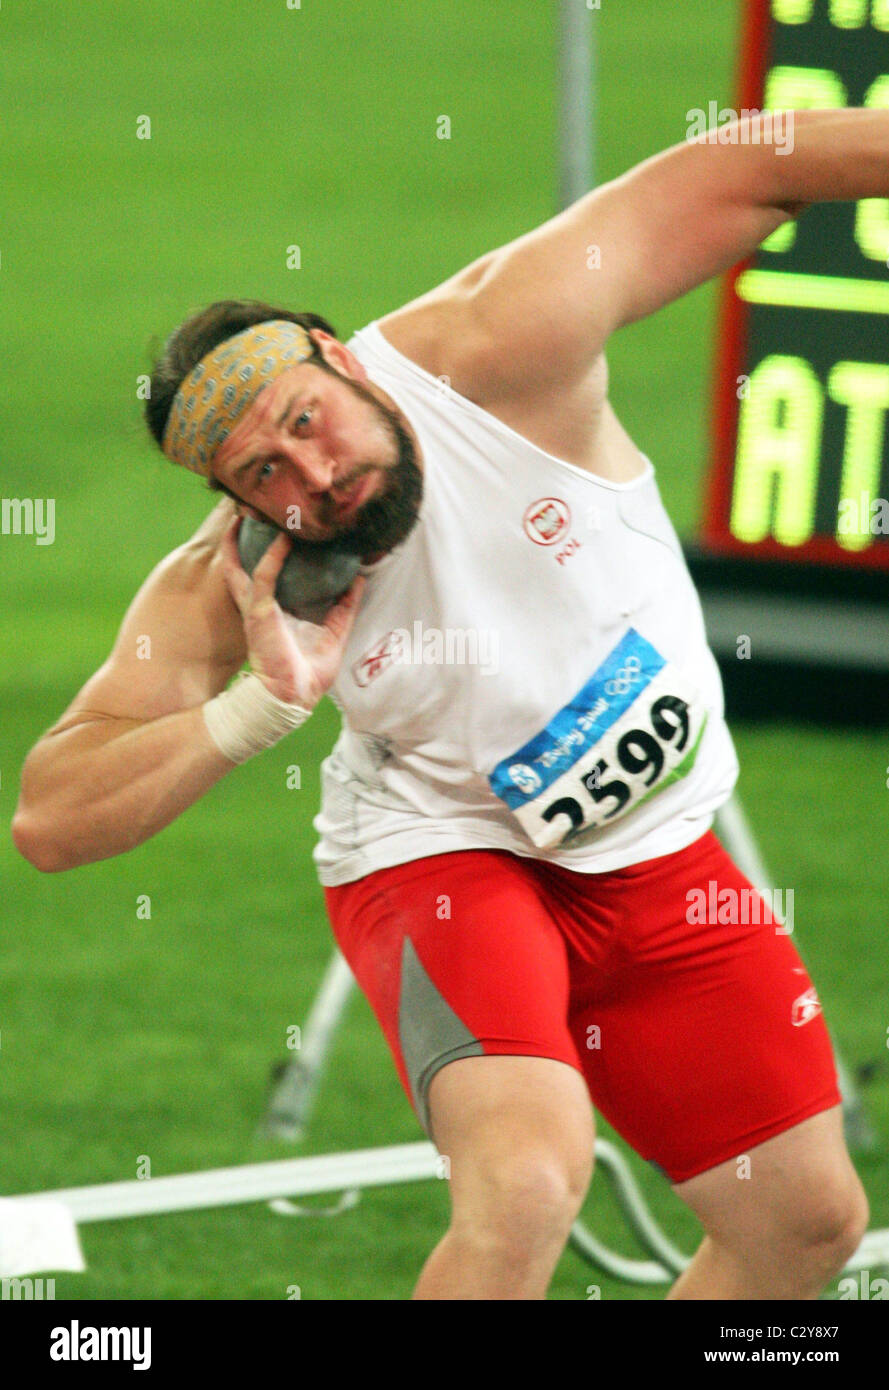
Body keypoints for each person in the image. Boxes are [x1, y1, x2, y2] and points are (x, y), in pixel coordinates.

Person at [14, 110, 882, 1300]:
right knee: (525, 1180)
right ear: (233, 501)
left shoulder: (502, 342)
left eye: (307, 422)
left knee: (805, 1224)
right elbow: (51, 820)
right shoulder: (231, 578)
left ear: (339, 354)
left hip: (659, 852)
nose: (314, 477)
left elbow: (747, 164)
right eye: (264, 473)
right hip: (444, 856)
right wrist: (254, 712)